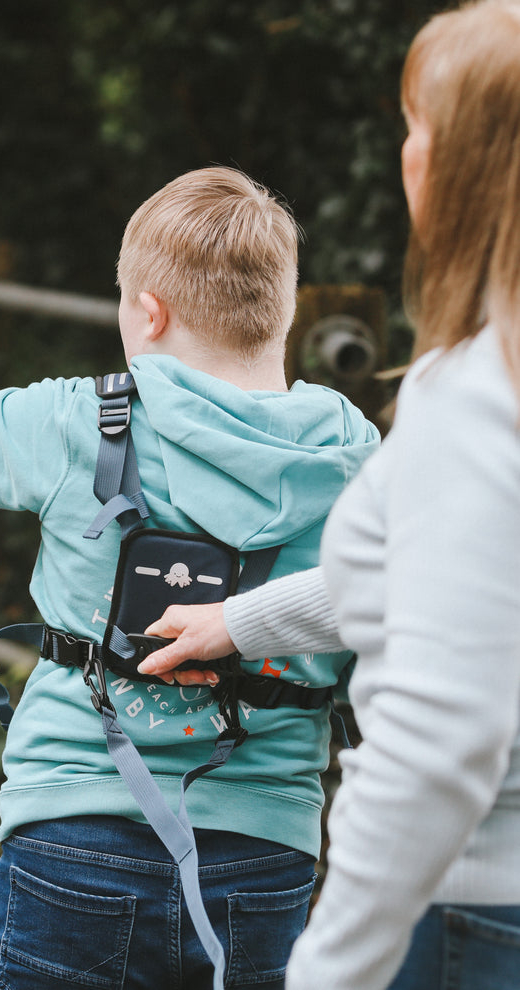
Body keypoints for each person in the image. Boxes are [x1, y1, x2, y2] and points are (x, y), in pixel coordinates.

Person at [0, 166, 379, 989]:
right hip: (265, 856)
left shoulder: (77, 421)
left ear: (149, 311)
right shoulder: (356, 462)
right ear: (284, 311)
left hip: (74, 834)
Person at [138, 4, 520, 989]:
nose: (406, 153)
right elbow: (447, 589)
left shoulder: (478, 394)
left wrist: (332, 968)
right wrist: (240, 622)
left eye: (418, 126)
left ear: (467, 166)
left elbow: (443, 733)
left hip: (472, 917)